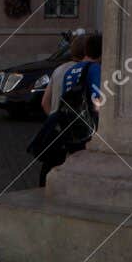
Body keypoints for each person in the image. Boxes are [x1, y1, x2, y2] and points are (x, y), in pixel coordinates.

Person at [32, 32, 102, 188]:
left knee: (53, 165)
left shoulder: (64, 70)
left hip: (63, 124)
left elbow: (45, 102)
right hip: (83, 126)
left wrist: (57, 121)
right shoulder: (94, 69)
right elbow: (97, 99)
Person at [40, 32, 86, 118]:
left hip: (58, 121)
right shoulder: (88, 70)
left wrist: (54, 120)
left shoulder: (58, 70)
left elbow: (44, 103)